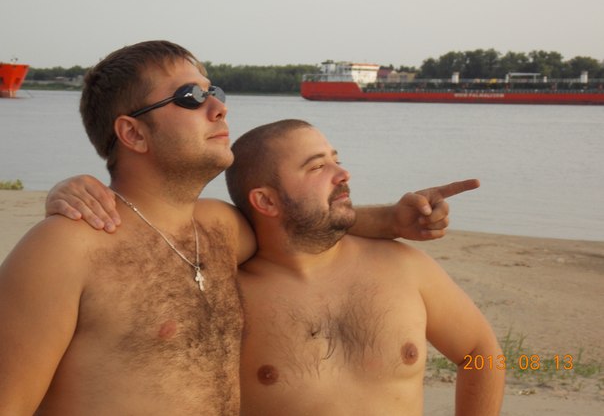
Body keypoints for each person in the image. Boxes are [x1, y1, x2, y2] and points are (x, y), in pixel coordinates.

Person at [0, 40, 478, 415]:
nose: (218, 107)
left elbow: (296, 219)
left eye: (216, 92)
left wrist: (392, 218)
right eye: (190, 97)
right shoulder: (64, 249)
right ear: (133, 133)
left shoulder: (220, 230)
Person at [225, 120, 505, 415]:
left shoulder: (404, 267)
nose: (343, 174)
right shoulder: (229, 297)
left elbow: (482, 352)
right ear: (266, 200)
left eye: (336, 161)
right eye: (317, 167)